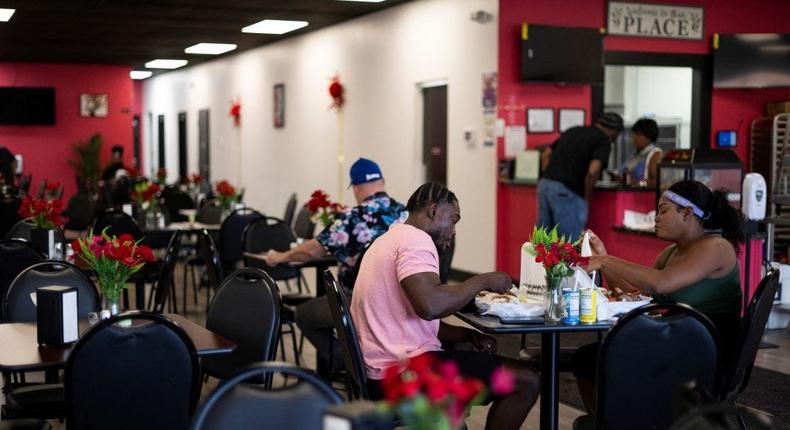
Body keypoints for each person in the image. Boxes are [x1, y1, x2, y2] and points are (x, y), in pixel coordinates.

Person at [351, 182, 539, 430]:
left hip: (379, 369)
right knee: (527, 380)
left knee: (473, 357)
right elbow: (430, 306)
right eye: (453, 219)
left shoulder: (387, 239)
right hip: (403, 374)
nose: (453, 230)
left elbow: (407, 319)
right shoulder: (416, 240)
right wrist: (482, 280)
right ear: (433, 210)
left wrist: (466, 334)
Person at [573, 179, 744, 415]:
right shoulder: (671, 253)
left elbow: (662, 282)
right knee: (588, 358)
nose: (656, 217)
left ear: (686, 213)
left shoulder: (716, 246)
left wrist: (607, 261)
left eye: (663, 210)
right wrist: (604, 260)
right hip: (678, 340)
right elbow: (638, 300)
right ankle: (610, 422)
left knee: (605, 356)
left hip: (707, 351)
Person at [264, 157, 407, 376]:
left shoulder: (352, 217)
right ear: (382, 181)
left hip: (358, 301)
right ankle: (363, 359)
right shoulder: (405, 214)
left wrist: (280, 257)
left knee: (304, 315)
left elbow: (312, 250)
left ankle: (349, 362)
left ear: (356, 188)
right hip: (400, 303)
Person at [538, 112, 624, 241]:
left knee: (544, 241)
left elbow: (545, 154)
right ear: (613, 131)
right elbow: (593, 171)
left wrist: (549, 175)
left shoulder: (574, 130)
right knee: (568, 244)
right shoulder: (603, 140)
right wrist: (585, 196)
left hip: (545, 185)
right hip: (568, 191)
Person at [614, 118, 662, 187]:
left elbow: (658, 182)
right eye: (634, 134)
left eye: (638, 135)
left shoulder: (655, 154)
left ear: (648, 136)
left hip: (643, 195)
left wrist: (635, 182)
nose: (634, 138)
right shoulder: (636, 154)